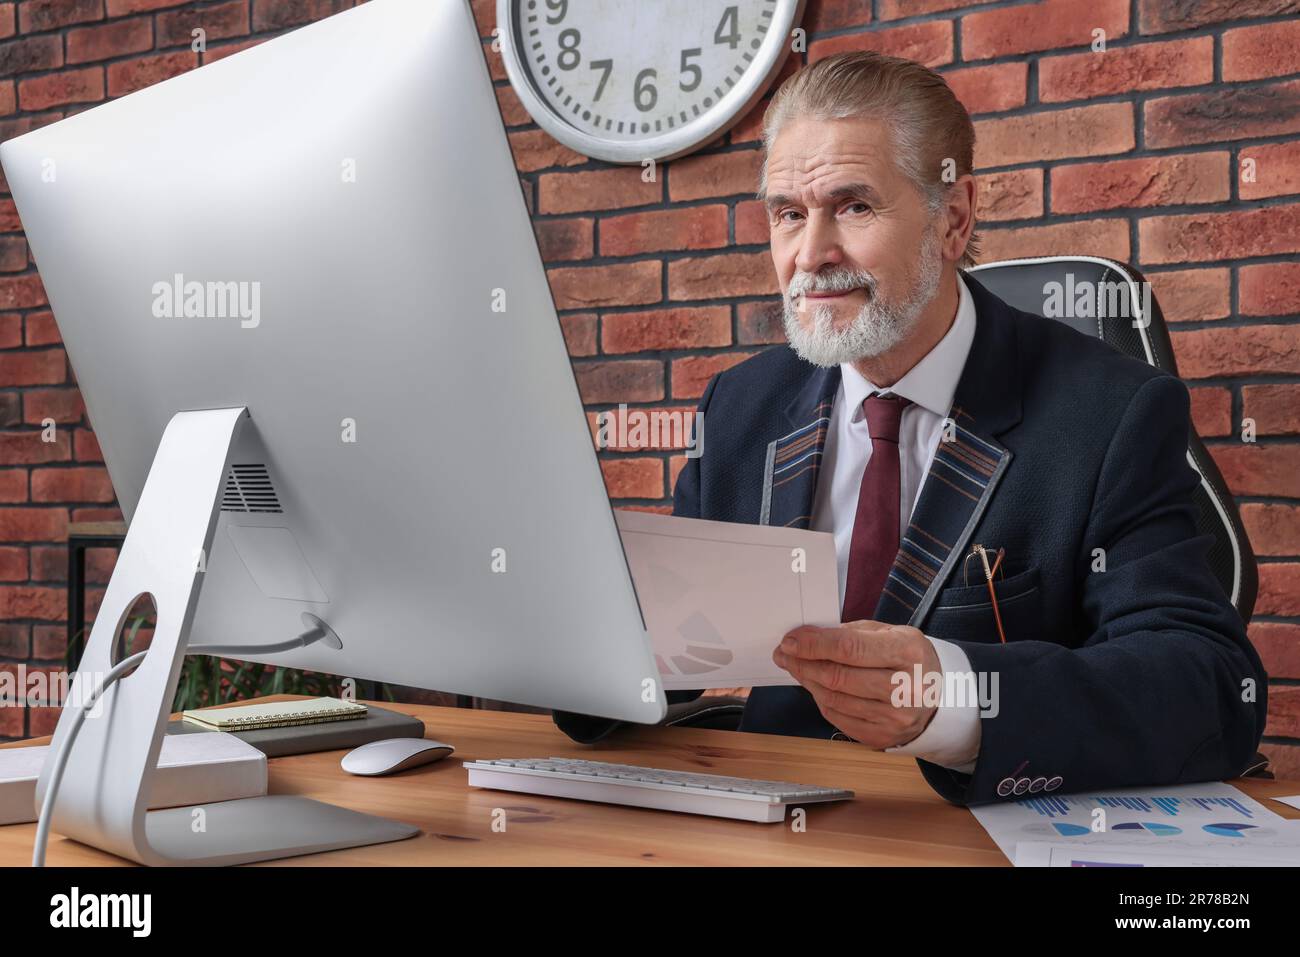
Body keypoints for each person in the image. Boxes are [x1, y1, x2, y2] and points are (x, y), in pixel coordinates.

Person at [555, 51, 1267, 805]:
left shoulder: (1113, 413)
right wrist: (576, 636)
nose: (810, 254)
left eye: (854, 206)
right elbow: (676, 646)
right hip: (760, 823)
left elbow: (1211, 687)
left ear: (952, 220)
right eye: (789, 214)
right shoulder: (739, 407)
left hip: (962, 827)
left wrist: (953, 697)